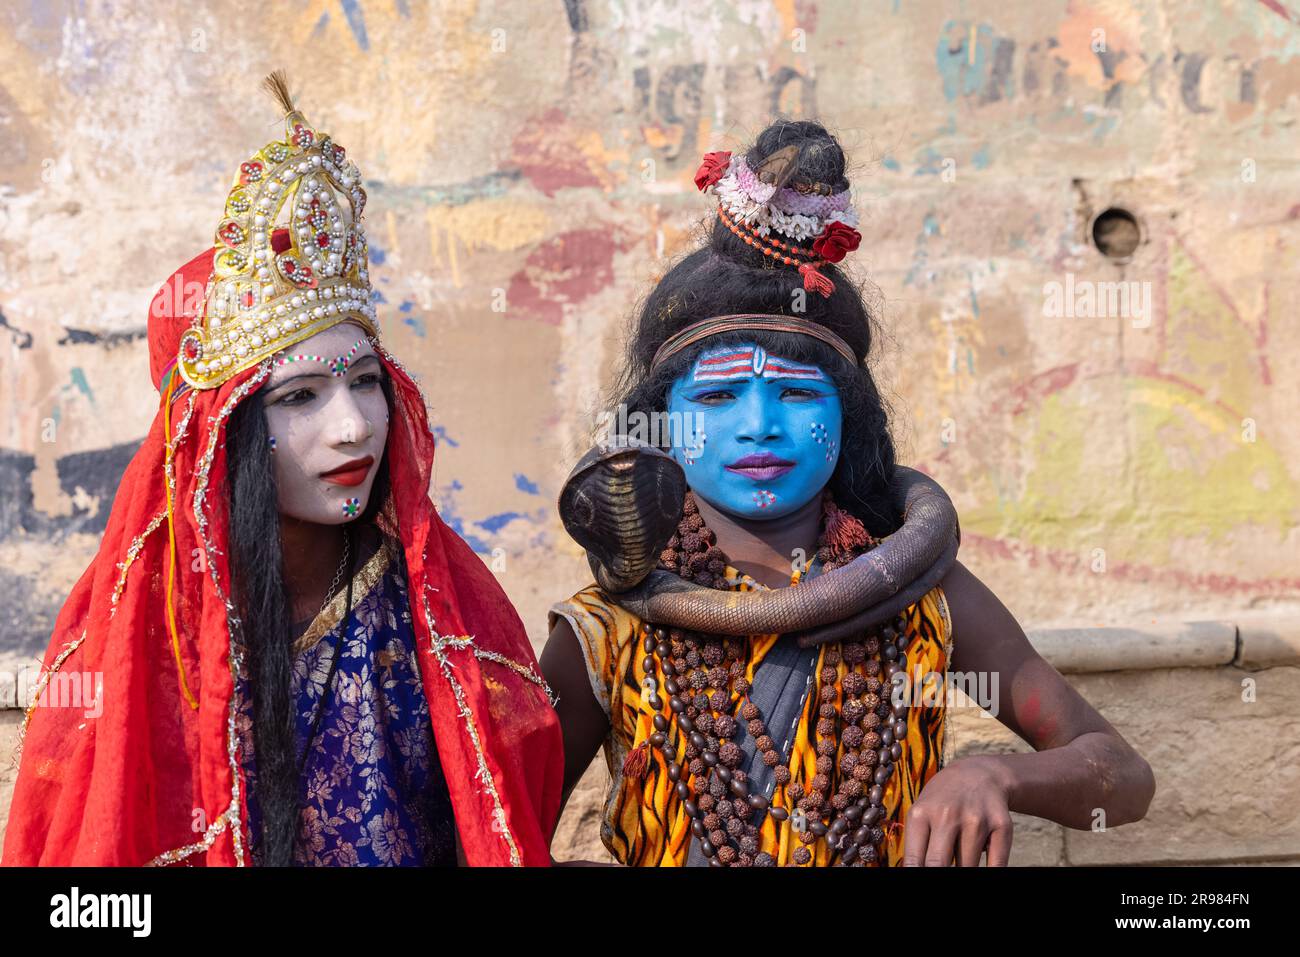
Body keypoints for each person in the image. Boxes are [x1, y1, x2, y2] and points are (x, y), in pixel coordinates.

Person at [542, 120, 1155, 867]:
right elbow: (497, 829)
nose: (760, 427)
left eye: (799, 394)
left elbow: (1122, 778)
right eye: (718, 398)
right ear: (662, 422)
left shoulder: (922, 593)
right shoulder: (609, 630)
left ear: (849, 417)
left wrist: (995, 771)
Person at [2, 73, 563, 867]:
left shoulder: (437, 610)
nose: (353, 425)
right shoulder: (138, 630)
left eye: (365, 381)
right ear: (217, 435)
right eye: (299, 395)